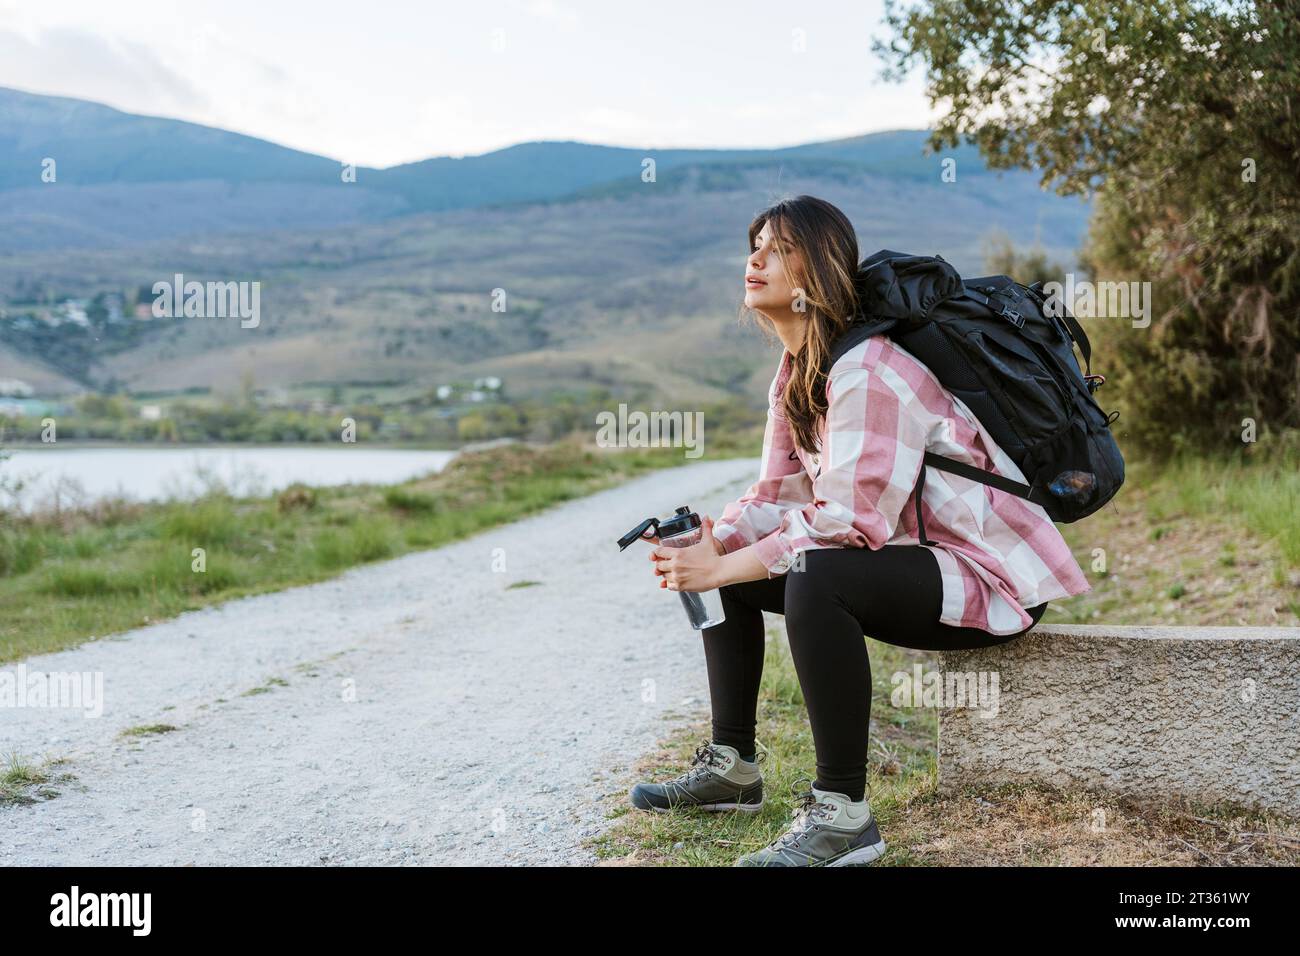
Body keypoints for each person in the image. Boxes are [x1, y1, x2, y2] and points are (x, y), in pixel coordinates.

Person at [630, 195, 1092, 867]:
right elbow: (776, 499)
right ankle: (731, 768)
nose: (755, 259)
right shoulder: (795, 375)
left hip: (985, 575)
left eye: (780, 248)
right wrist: (712, 542)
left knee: (815, 575)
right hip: (912, 562)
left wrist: (722, 567)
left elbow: (847, 524)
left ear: (817, 272)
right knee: (727, 549)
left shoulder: (868, 369)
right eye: (755, 244)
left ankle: (843, 815)